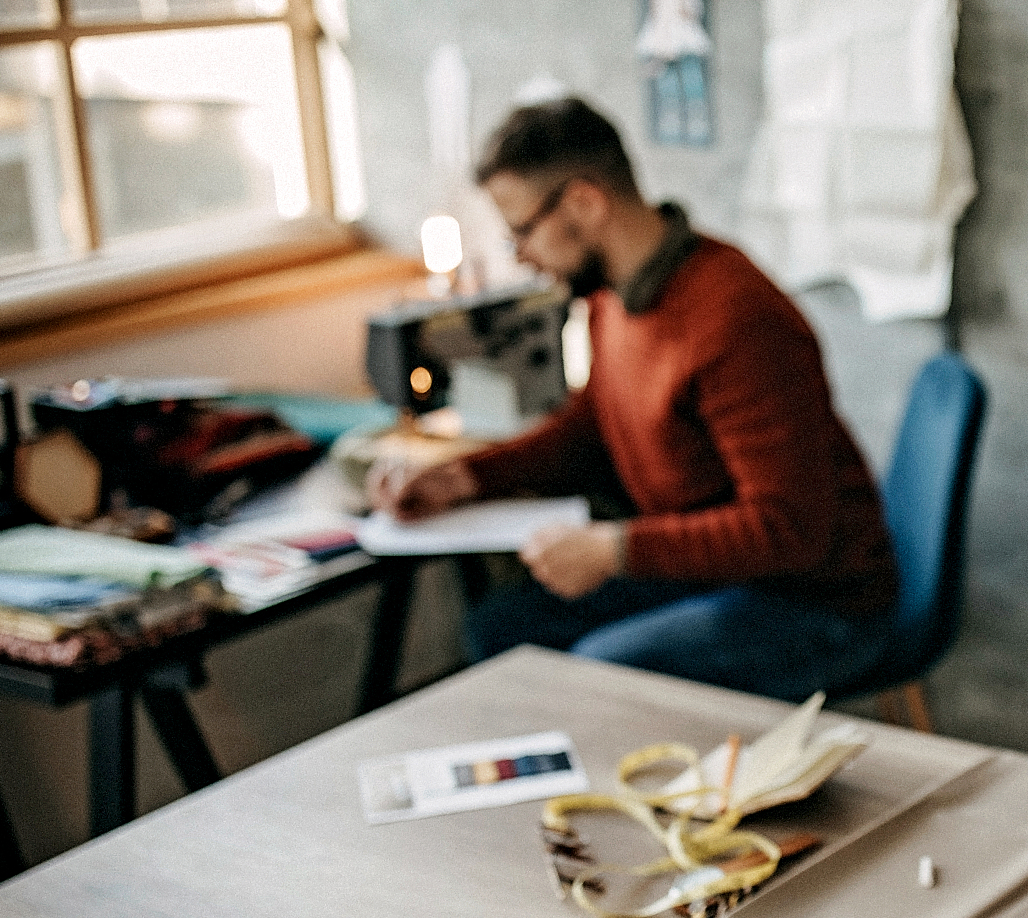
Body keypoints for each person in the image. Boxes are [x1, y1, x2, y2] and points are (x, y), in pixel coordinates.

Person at [370, 97, 898, 702]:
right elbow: (594, 424)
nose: (519, 255)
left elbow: (789, 529)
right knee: (500, 630)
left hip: (814, 598)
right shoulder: (609, 296)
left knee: (598, 677)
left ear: (584, 204)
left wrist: (615, 550)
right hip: (706, 571)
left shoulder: (736, 317)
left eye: (521, 230)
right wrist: (465, 478)